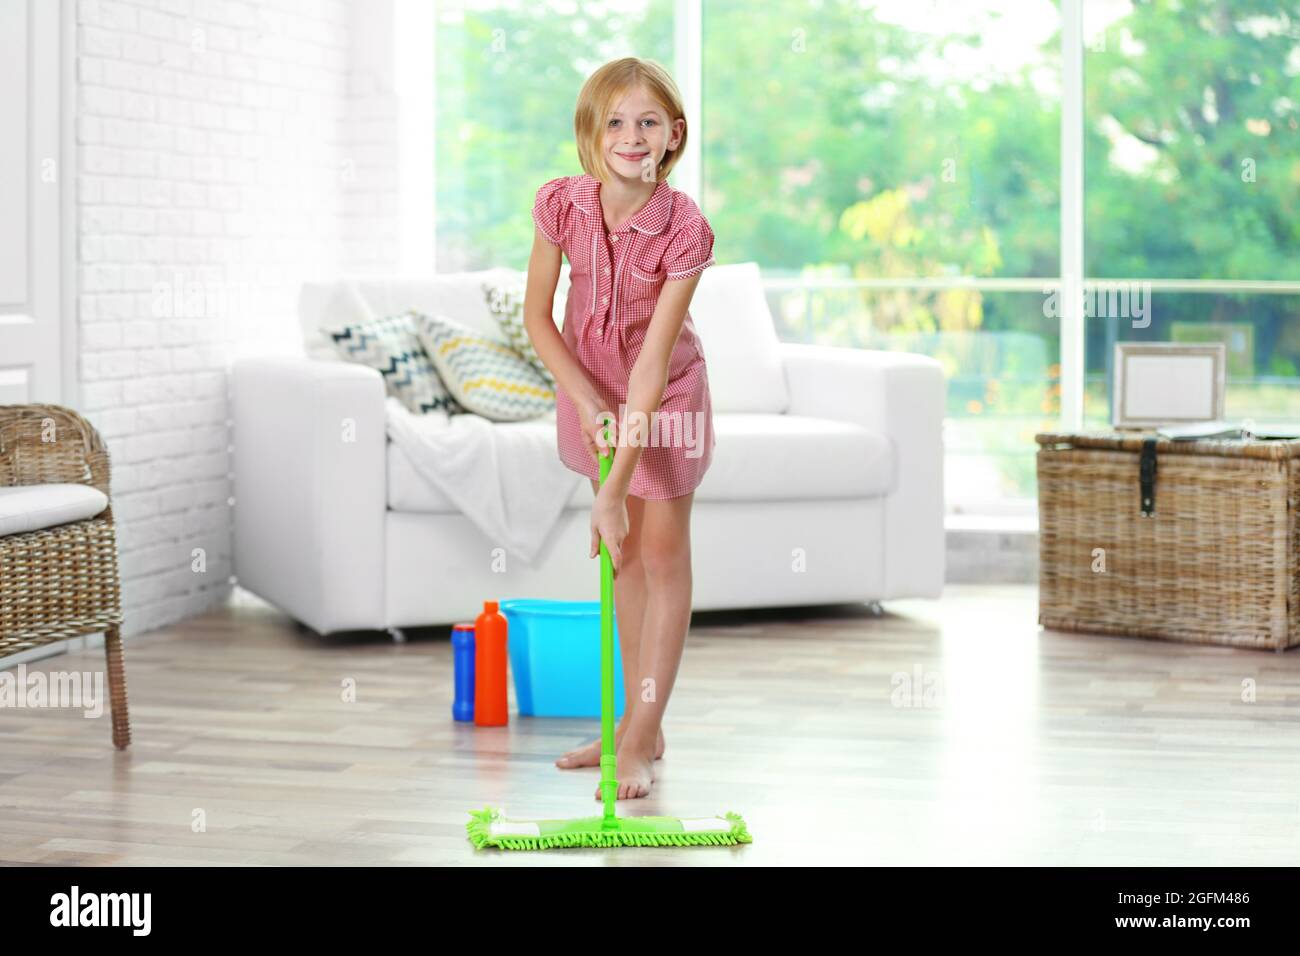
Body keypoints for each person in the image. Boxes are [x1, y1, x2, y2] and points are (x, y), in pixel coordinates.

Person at [523, 56, 717, 800]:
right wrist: (582, 399)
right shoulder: (560, 206)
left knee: (660, 556)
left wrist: (616, 486)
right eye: (615, 121)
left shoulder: (685, 229)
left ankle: (638, 737)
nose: (632, 136)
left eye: (648, 122)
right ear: (589, 133)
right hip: (594, 393)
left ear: (674, 134)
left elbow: (651, 367)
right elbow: (540, 318)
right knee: (623, 562)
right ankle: (638, 724)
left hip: (662, 400)